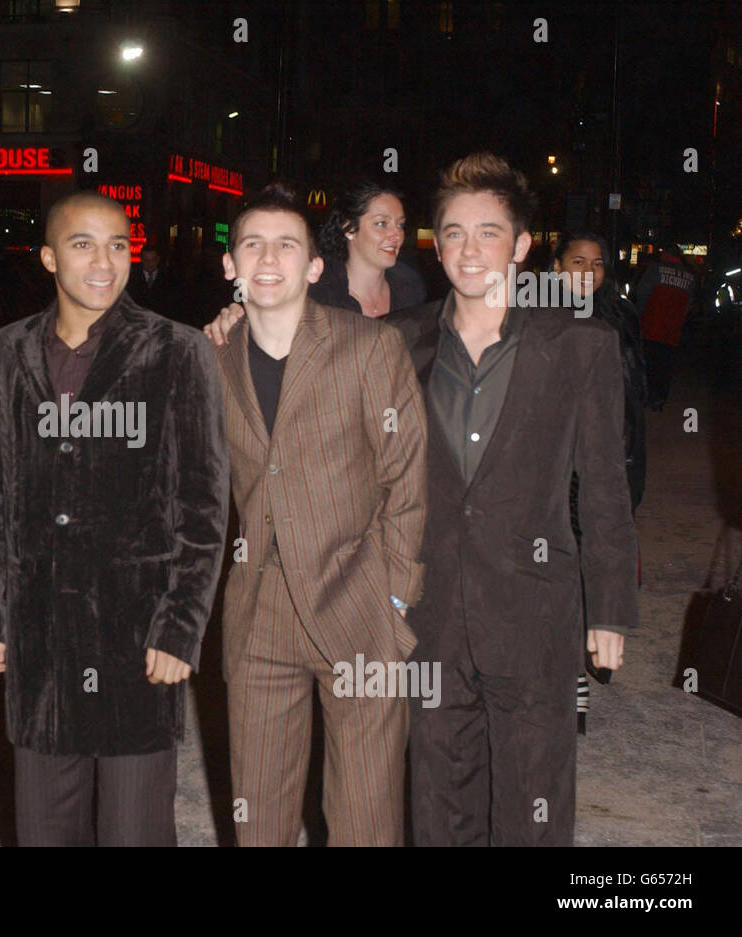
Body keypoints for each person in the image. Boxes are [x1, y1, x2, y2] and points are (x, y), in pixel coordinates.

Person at [0, 191, 229, 846]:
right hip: (38, 642)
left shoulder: (177, 350)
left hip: (137, 644)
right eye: (84, 244)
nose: (104, 261)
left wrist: (180, 625)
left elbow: (203, 502)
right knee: (45, 831)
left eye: (118, 245)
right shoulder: (1, 352)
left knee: (135, 832)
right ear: (50, 256)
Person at [383, 153, 637, 845]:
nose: (469, 249)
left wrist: (609, 606)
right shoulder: (397, 343)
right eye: (453, 232)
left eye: (488, 232)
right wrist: (237, 317)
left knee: (534, 794)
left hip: (535, 608)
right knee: (437, 793)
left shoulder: (581, 345)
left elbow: (607, 486)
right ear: (436, 243)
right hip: (429, 611)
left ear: (522, 246)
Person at [202, 183, 428, 845]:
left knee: (364, 817)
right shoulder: (208, 356)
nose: (268, 258)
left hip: (358, 602)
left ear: (313, 265)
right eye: (252, 244)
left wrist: (395, 596)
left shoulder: (368, 348)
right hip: (258, 612)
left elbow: (407, 482)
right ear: (230, 265)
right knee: (260, 817)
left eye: (286, 245)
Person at [553, 232, 647, 511]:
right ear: (558, 267)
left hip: (606, 445)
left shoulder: (621, 315)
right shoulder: (538, 314)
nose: (588, 272)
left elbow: (634, 386)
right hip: (555, 450)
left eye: (597, 264)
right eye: (578, 262)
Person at [311, 182, 426, 317]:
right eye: (381, 223)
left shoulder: (411, 289)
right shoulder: (321, 296)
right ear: (350, 229)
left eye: (400, 225)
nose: (397, 234)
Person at [634, 240, 696, 409]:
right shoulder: (689, 277)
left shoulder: (655, 269)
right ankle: (660, 399)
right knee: (665, 365)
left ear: (666, 254)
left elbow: (641, 293)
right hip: (672, 331)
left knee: (648, 363)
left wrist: (639, 314)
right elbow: (688, 305)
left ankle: (647, 396)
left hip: (651, 326)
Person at [126, 245, 171, 317]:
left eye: (152, 260)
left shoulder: (169, 279)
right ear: (141, 259)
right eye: (146, 260)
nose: (150, 264)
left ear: (157, 259)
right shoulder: (131, 279)